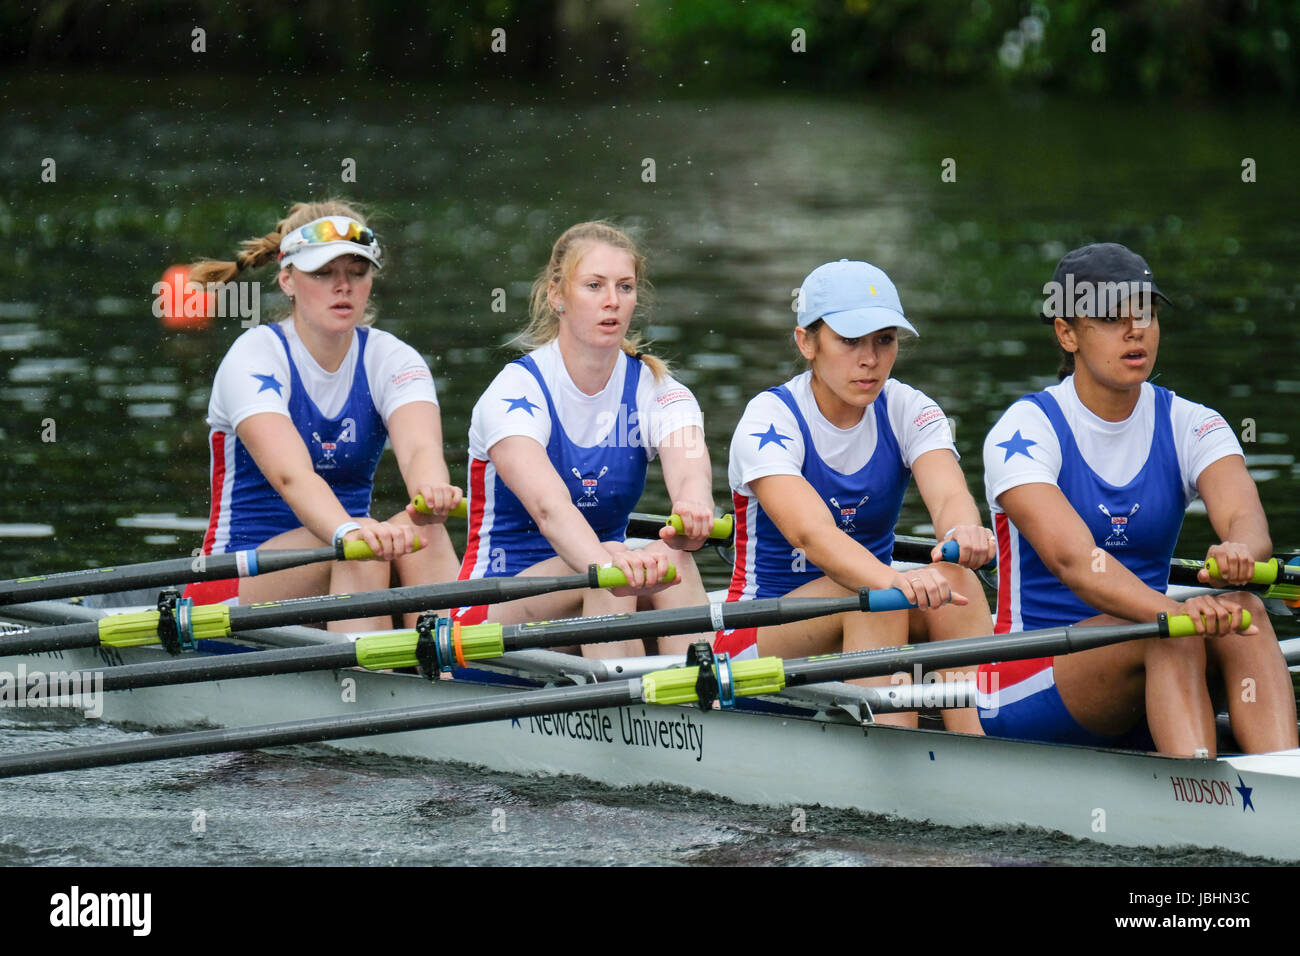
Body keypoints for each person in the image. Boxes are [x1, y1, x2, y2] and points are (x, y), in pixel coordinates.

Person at [978, 242, 1297, 756]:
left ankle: (1282, 787)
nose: (1136, 330)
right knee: (1167, 630)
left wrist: (1241, 551)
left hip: (1152, 650)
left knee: (1248, 612)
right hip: (1027, 678)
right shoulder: (1026, 430)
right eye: (1110, 317)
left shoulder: (1191, 422)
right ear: (1067, 332)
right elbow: (1074, 560)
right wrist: (1181, 616)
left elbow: (1244, 515)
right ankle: (1201, 812)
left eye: (1145, 312)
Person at [713, 259, 995, 730]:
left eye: (884, 340)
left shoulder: (909, 407)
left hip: (868, 612)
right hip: (757, 640)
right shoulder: (770, 419)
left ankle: (974, 743)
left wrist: (964, 530)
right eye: (849, 341)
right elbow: (812, 534)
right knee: (876, 593)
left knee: (958, 581)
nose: (870, 359)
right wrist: (893, 583)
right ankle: (894, 750)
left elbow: (948, 496)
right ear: (806, 342)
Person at [183, 201, 463, 631]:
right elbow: (291, 476)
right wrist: (349, 534)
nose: (343, 286)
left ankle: (453, 676)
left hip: (347, 561)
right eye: (323, 273)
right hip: (231, 587)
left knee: (422, 531)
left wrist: (433, 491)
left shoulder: (393, 358)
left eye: (357, 272)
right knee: (362, 548)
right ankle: (366, 686)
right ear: (288, 280)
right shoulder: (256, 355)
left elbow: (420, 449)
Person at [453, 221, 715, 659]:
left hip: (603, 584)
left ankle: (695, 710)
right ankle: (634, 715)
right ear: (557, 295)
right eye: (594, 285)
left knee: (674, 560)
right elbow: (549, 508)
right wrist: (608, 561)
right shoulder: (516, 392)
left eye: (625, 287)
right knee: (609, 564)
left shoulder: (657, 388)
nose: (612, 301)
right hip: (491, 612)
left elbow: (688, 459)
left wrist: (693, 508)